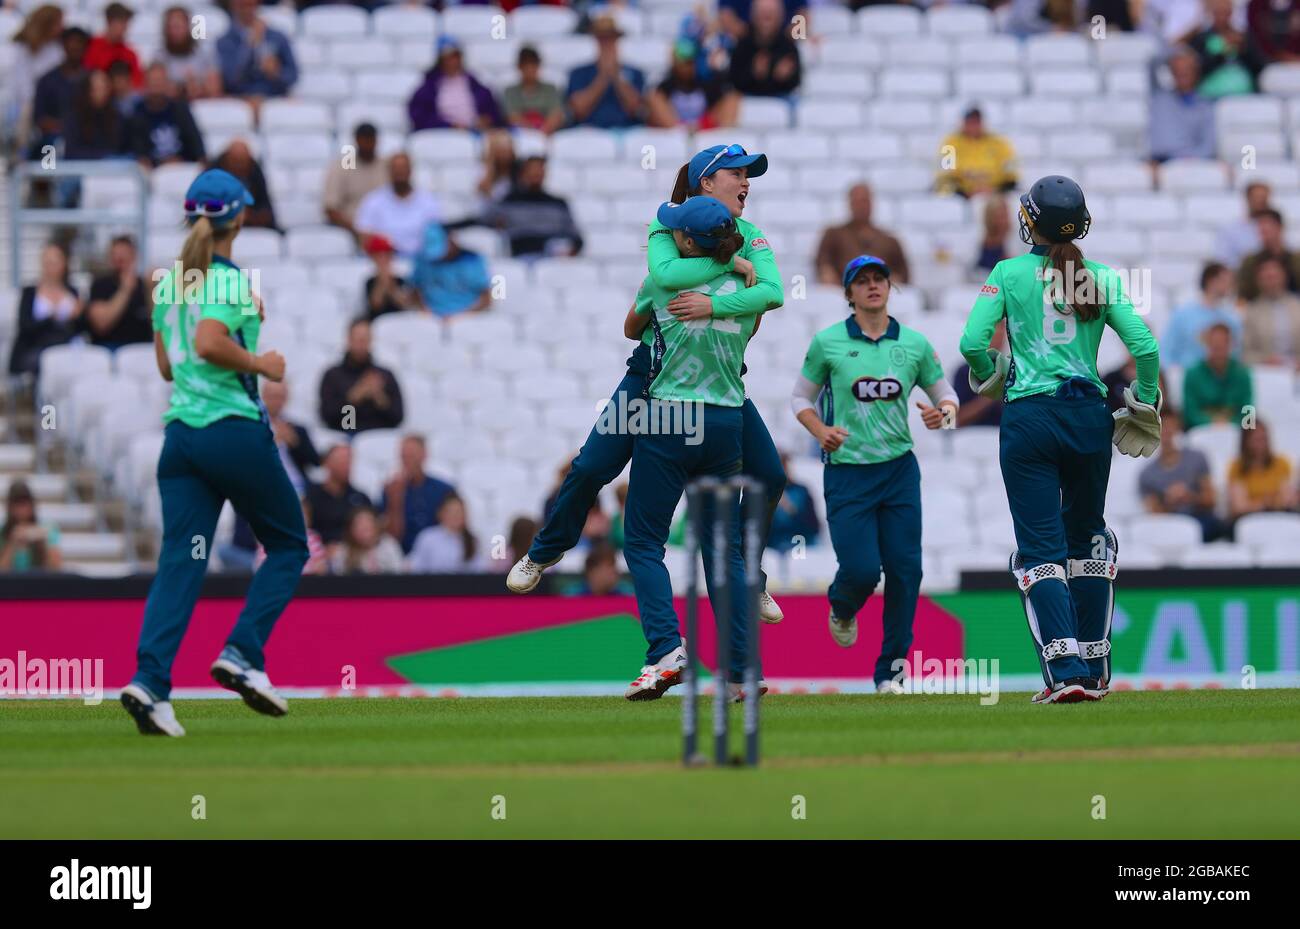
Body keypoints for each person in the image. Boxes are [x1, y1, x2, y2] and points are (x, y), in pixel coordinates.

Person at [507, 144, 788, 633]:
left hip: (720, 385)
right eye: (737, 173)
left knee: (770, 474)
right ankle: (543, 552)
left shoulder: (752, 235)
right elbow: (663, 276)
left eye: (749, 175)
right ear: (706, 182)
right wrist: (730, 268)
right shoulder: (667, 225)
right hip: (651, 377)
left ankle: (751, 576)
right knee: (592, 465)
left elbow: (774, 293)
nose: (746, 182)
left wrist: (714, 304)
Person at [120, 168, 309, 737]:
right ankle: (243, 653)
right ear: (240, 216)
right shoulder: (228, 283)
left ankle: (150, 684)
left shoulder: (169, 283)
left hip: (180, 440)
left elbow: (166, 364)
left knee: (180, 561)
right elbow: (207, 342)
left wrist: (237, 333)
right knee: (288, 543)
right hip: (232, 431)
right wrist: (261, 362)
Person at [959, 175, 1162, 704]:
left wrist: (993, 375)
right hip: (1088, 416)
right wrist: (1145, 400)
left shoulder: (1007, 272)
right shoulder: (1098, 276)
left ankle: (1066, 670)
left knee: (1039, 550)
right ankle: (1095, 668)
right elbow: (1143, 345)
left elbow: (970, 342)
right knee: (1088, 539)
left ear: (1030, 223)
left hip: (1030, 416)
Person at [619, 196, 767, 701]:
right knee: (725, 550)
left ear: (687, 241)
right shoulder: (749, 289)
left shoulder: (665, 280)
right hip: (726, 418)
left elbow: (631, 329)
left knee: (642, 539)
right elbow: (755, 327)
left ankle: (666, 649)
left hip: (670, 414)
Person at [794, 255, 957, 689]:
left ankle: (892, 671)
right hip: (848, 472)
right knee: (864, 570)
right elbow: (799, 400)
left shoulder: (914, 345)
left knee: (906, 570)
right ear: (848, 293)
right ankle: (843, 605)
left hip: (899, 470)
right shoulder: (828, 343)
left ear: (889, 287)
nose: (872, 286)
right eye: (861, 281)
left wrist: (943, 414)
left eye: (879, 279)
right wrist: (821, 430)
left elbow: (946, 394)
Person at [1139, 407, 1225, 541]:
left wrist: (1189, 497)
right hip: (1169, 525)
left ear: (1178, 428)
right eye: (1162, 427)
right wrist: (1169, 501)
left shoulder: (1197, 458)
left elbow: (1211, 500)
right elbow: (1154, 513)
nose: (1166, 432)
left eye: (1170, 427)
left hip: (1200, 520)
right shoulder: (1147, 474)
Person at [8, 242, 81, 379]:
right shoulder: (30, 292)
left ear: (64, 264)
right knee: (49, 362)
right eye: (47, 261)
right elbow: (25, 326)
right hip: (34, 351)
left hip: (65, 349)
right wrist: (52, 317)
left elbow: (81, 328)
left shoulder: (72, 293)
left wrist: (79, 315)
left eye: (55, 261)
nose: (50, 266)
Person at [487, 156, 583, 258]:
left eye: (539, 170)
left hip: (553, 259)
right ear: (523, 173)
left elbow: (576, 238)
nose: (536, 174)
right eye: (532, 170)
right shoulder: (509, 201)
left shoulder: (558, 204)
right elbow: (488, 221)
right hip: (520, 258)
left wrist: (570, 250)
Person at [318, 318, 404, 432]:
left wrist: (380, 398)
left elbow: (397, 418)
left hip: (380, 436)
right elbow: (328, 417)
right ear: (348, 340)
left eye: (365, 339)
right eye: (358, 339)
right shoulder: (333, 375)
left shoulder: (385, 375)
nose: (361, 344)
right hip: (347, 436)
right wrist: (353, 397)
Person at [815, 184, 909, 286]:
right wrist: (826, 272)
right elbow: (822, 261)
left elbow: (904, 274)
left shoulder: (889, 241)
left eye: (864, 201)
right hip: (842, 294)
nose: (861, 206)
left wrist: (895, 280)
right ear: (850, 204)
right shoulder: (834, 235)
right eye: (856, 202)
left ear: (872, 204)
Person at [565, 14, 645, 130]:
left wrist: (616, 75)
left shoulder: (634, 72)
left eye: (610, 39)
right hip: (590, 133)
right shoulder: (579, 73)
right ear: (596, 41)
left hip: (626, 132)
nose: (607, 44)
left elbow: (637, 109)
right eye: (603, 39)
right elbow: (578, 110)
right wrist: (603, 77)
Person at [381, 434, 456, 556]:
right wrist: (395, 502)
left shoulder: (443, 490)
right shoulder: (391, 490)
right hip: (400, 556)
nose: (408, 461)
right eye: (404, 456)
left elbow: (454, 530)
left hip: (436, 557)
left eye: (412, 456)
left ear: (424, 455)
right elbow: (390, 539)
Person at [408, 36, 502, 132]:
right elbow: (420, 117)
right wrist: (449, 126)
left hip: (475, 133)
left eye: (455, 56)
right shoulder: (428, 88)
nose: (452, 62)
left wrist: (486, 120)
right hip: (443, 134)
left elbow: (494, 113)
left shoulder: (476, 86)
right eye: (447, 58)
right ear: (440, 60)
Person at [353, 153, 441, 256]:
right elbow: (364, 236)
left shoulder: (428, 201)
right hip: (385, 262)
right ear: (389, 171)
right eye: (395, 168)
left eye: (403, 167)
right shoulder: (373, 201)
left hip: (421, 261)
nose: (399, 172)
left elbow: (437, 236)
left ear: (410, 170)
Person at [647, 37, 739, 130]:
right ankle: (682, 130)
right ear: (674, 62)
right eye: (684, 62)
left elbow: (716, 109)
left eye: (690, 62)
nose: (687, 67)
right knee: (654, 97)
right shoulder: (665, 86)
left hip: (702, 129)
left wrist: (700, 125)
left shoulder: (706, 84)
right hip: (674, 131)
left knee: (732, 98)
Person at [217, 0, 298, 104]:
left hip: (273, 96)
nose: (248, 10)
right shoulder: (225, 41)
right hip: (241, 98)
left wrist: (276, 73)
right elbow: (230, 80)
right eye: (243, 5)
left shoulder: (277, 37)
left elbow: (293, 76)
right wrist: (248, 47)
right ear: (234, 6)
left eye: (251, 5)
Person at [1162, 262, 1242, 368]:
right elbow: (1167, 349)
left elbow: (1236, 353)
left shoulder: (1231, 318)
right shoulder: (1183, 314)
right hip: (1186, 377)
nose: (1229, 285)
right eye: (1225, 280)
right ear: (1211, 281)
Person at [6, 4, 64, 151]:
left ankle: (48, 167)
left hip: (50, 106)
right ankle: (20, 157)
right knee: (25, 112)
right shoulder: (22, 48)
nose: (61, 28)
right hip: (28, 104)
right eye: (58, 24)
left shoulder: (57, 50)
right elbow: (21, 86)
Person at [127, 62, 206, 168]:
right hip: (152, 171)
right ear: (145, 84)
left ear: (167, 83)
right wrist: (160, 163)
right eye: (153, 81)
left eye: (159, 80)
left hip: (182, 167)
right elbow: (139, 153)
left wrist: (181, 161)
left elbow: (196, 145)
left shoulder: (180, 109)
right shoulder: (137, 113)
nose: (156, 85)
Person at [1148, 47, 1216, 163]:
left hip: (1190, 163)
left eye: (1187, 70)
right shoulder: (1159, 95)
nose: (1182, 74)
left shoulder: (1205, 106)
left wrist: (1186, 160)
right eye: (1177, 70)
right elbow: (1152, 62)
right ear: (1171, 72)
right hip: (1158, 163)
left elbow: (1208, 146)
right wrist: (1174, 48)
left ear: (1196, 73)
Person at [410, 223, 492, 318]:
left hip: (468, 318)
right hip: (430, 319)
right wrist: (425, 311)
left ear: (451, 240)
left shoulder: (473, 260)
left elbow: (487, 298)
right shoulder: (422, 260)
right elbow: (415, 290)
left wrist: (463, 316)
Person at [83, 235, 151, 350]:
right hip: (110, 349)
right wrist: (125, 290)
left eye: (124, 254)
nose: (120, 259)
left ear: (134, 256)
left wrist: (152, 290)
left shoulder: (144, 285)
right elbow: (101, 324)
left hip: (142, 350)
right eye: (116, 254)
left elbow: (157, 323)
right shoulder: (100, 285)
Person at [30, 26, 88, 157]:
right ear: (63, 45)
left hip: (86, 142)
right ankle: (47, 175)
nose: (75, 47)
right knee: (48, 154)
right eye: (71, 42)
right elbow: (39, 118)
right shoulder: (47, 80)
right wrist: (66, 128)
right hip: (52, 141)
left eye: (79, 42)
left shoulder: (92, 80)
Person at [1182, 322, 1254, 429]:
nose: (1219, 350)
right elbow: (1189, 413)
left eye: (1223, 345)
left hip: (1235, 432)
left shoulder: (1243, 374)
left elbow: (1248, 412)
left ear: (1230, 345)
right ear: (1207, 344)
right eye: (1215, 345)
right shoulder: (1193, 374)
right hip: (1201, 432)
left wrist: (1229, 424)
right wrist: (1211, 422)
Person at [1188, 0, 1267, 97]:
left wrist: (1243, 49)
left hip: (1245, 96)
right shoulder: (1201, 39)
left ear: (1231, 13)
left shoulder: (1243, 37)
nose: (1222, 17)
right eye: (1218, 13)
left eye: (1226, 13)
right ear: (1211, 13)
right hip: (1210, 96)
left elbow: (1259, 67)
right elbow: (1197, 70)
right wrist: (1222, 53)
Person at [936, 107, 1019, 198]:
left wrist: (993, 191)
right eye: (970, 122)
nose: (973, 126)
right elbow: (944, 176)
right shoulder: (950, 144)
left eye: (976, 122)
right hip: (961, 197)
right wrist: (966, 192)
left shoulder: (1000, 143)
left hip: (995, 198)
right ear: (963, 123)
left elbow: (1011, 177)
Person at [1227, 420, 1297, 527]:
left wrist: (1258, 503)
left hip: (1278, 514)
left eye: (1264, 438)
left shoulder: (1282, 463)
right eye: (1256, 439)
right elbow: (1239, 507)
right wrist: (1266, 503)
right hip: (1248, 518)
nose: (1261, 444)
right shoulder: (1236, 467)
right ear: (1246, 441)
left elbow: (1288, 499)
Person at [728, 0, 801, 98]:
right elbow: (734, 81)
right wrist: (752, 73)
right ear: (753, 16)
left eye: (771, 14)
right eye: (762, 14)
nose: (766, 18)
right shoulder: (743, 45)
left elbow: (796, 81)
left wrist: (784, 77)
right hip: (748, 99)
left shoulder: (788, 46)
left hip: (781, 99)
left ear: (780, 17)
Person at [323, 123, 385, 235]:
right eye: (363, 139)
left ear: (376, 141)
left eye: (370, 139)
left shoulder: (385, 166)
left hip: (384, 231)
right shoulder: (344, 165)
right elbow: (330, 208)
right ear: (356, 140)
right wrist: (357, 231)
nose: (367, 143)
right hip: (349, 230)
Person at [305, 444, 373, 546]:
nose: (347, 466)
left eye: (349, 461)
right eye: (341, 461)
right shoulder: (310, 495)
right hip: (317, 551)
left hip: (354, 553)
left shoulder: (361, 498)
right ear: (326, 463)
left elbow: (372, 530)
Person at [262, 379, 319, 496]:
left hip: (297, 487)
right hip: (264, 488)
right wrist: (271, 443)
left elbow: (315, 461)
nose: (277, 401)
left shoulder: (297, 429)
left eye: (281, 397)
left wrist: (295, 442)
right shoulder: (253, 427)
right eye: (273, 396)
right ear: (263, 396)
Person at [1241, 257, 1300, 367]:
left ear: (1284, 277)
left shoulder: (1297, 305)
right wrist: (1264, 359)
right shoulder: (1252, 311)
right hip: (1266, 372)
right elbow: (1246, 353)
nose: (1272, 282)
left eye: (1275, 276)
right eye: (1267, 277)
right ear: (1259, 280)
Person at [406, 494, 486, 572]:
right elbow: (416, 567)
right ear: (440, 513)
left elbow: (480, 570)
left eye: (459, 511)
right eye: (451, 512)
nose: (456, 516)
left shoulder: (472, 540)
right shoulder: (428, 537)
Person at [157, 5, 221, 100]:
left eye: (178, 27)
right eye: (170, 28)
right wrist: (181, 89)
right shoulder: (158, 58)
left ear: (188, 27)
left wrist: (197, 88)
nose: (174, 32)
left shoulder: (205, 54)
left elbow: (215, 89)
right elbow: (156, 91)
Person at [953, 320, 1007, 427]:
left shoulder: (1014, 371)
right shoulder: (964, 372)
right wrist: (990, 397)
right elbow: (956, 420)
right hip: (972, 437)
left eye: (1002, 330)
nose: (999, 335)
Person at [1237, 209, 1300, 301]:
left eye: (1268, 228)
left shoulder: (1296, 260)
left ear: (1280, 227)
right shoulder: (1250, 263)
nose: (1263, 232)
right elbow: (1244, 294)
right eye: (1261, 228)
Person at [0, 480, 62, 572]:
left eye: (24, 503)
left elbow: (56, 569)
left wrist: (42, 544)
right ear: (9, 507)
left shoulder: (47, 530)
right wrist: (12, 543)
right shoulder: (3, 532)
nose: (21, 510)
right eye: (17, 504)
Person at [63, 69, 125, 160]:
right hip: (81, 169)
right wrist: (102, 157)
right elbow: (71, 152)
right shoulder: (75, 118)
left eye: (104, 88)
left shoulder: (117, 117)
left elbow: (121, 149)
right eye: (96, 89)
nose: (101, 93)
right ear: (87, 91)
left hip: (112, 170)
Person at [213, 140, 276, 229]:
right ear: (226, 160)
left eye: (242, 162)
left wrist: (250, 216)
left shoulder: (255, 173)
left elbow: (267, 212)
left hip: (250, 228)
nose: (239, 166)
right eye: (235, 162)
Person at [502, 45, 564, 134]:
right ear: (519, 67)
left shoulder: (550, 89)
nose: (530, 69)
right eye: (526, 65)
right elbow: (512, 117)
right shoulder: (510, 92)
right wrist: (533, 132)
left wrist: (544, 130)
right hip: (521, 135)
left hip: (548, 134)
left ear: (539, 66)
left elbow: (556, 114)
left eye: (533, 64)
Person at [766, 452, 820, 553]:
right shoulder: (760, 493)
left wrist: (791, 510)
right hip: (772, 546)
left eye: (783, 465)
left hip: (800, 542)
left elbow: (814, 527)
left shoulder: (801, 491)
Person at [330, 507, 404, 575]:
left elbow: (399, 572)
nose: (363, 528)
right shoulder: (343, 551)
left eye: (367, 523)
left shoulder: (388, 545)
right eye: (358, 525)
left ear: (376, 525)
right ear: (350, 530)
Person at [83, 2, 141, 88]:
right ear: (109, 21)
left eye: (126, 22)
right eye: (121, 22)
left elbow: (137, 84)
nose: (125, 27)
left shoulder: (130, 54)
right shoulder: (92, 46)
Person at [1214, 181, 1271, 268]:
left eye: (1263, 198)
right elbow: (1224, 261)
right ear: (1248, 199)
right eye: (1256, 198)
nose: (1260, 202)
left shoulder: (1275, 229)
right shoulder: (1231, 230)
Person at [362, 235, 420, 320]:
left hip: (399, 321)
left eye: (387, 255)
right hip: (377, 322)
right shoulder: (370, 281)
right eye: (380, 255)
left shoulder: (400, 280)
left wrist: (390, 282)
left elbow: (404, 303)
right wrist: (383, 280)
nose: (384, 259)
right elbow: (376, 304)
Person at [975, 196, 1014, 276]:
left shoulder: (1015, 240)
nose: (1004, 221)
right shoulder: (978, 239)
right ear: (989, 218)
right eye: (999, 217)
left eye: (1005, 216)